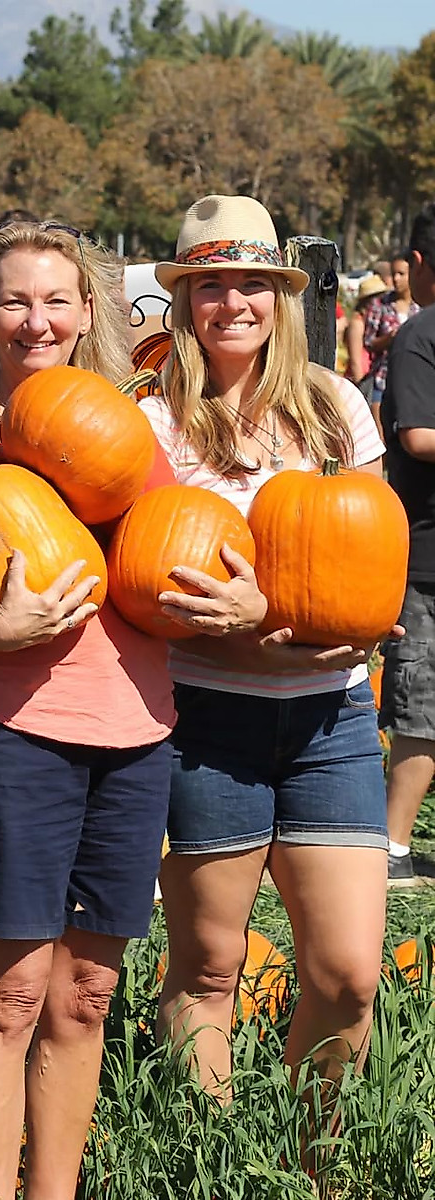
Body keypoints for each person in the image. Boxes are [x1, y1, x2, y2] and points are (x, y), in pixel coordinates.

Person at [0, 219, 181, 1200]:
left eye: (57, 300)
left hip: (137, 736)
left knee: (86, 999)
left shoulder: (129, 431)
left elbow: (177, 550)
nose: (36, 320)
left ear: (88, 311)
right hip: (17, 739)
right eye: (14, 299)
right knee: (10, 996)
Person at [140, 196, 392, 1136]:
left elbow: (370, 559)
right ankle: (208, 1163)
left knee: (348, 975)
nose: (233, 302)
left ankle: (310, 1160)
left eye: (252, 283)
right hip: (207, 721)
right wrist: (258, 619)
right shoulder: (154, 423)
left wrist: (330, 621)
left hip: (330, 725)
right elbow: (143, 582)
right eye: (212, 285)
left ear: (283, 297)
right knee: (209, 970)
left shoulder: (333, 407)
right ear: (185, 302)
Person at [378, 203, 435, 887]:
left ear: (418, 265)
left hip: (421, 558)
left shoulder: (419, 333)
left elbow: (416, 435)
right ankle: (392, 845)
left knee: (420, 709)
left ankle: (392, 844)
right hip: (424, 556)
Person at [363, 248, 420, 429]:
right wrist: (390, 338)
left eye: (401, 274)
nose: (396, 279)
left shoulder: (421, 307)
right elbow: (369, 343)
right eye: (393, 273)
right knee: (381, 435)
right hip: (383, 379)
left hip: (414, 380)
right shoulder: (379, 305)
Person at [344, 273, 388, 400]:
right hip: (361, 382)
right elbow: (355, 362)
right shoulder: (357, 323)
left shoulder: (370, 322)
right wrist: (360, 389)